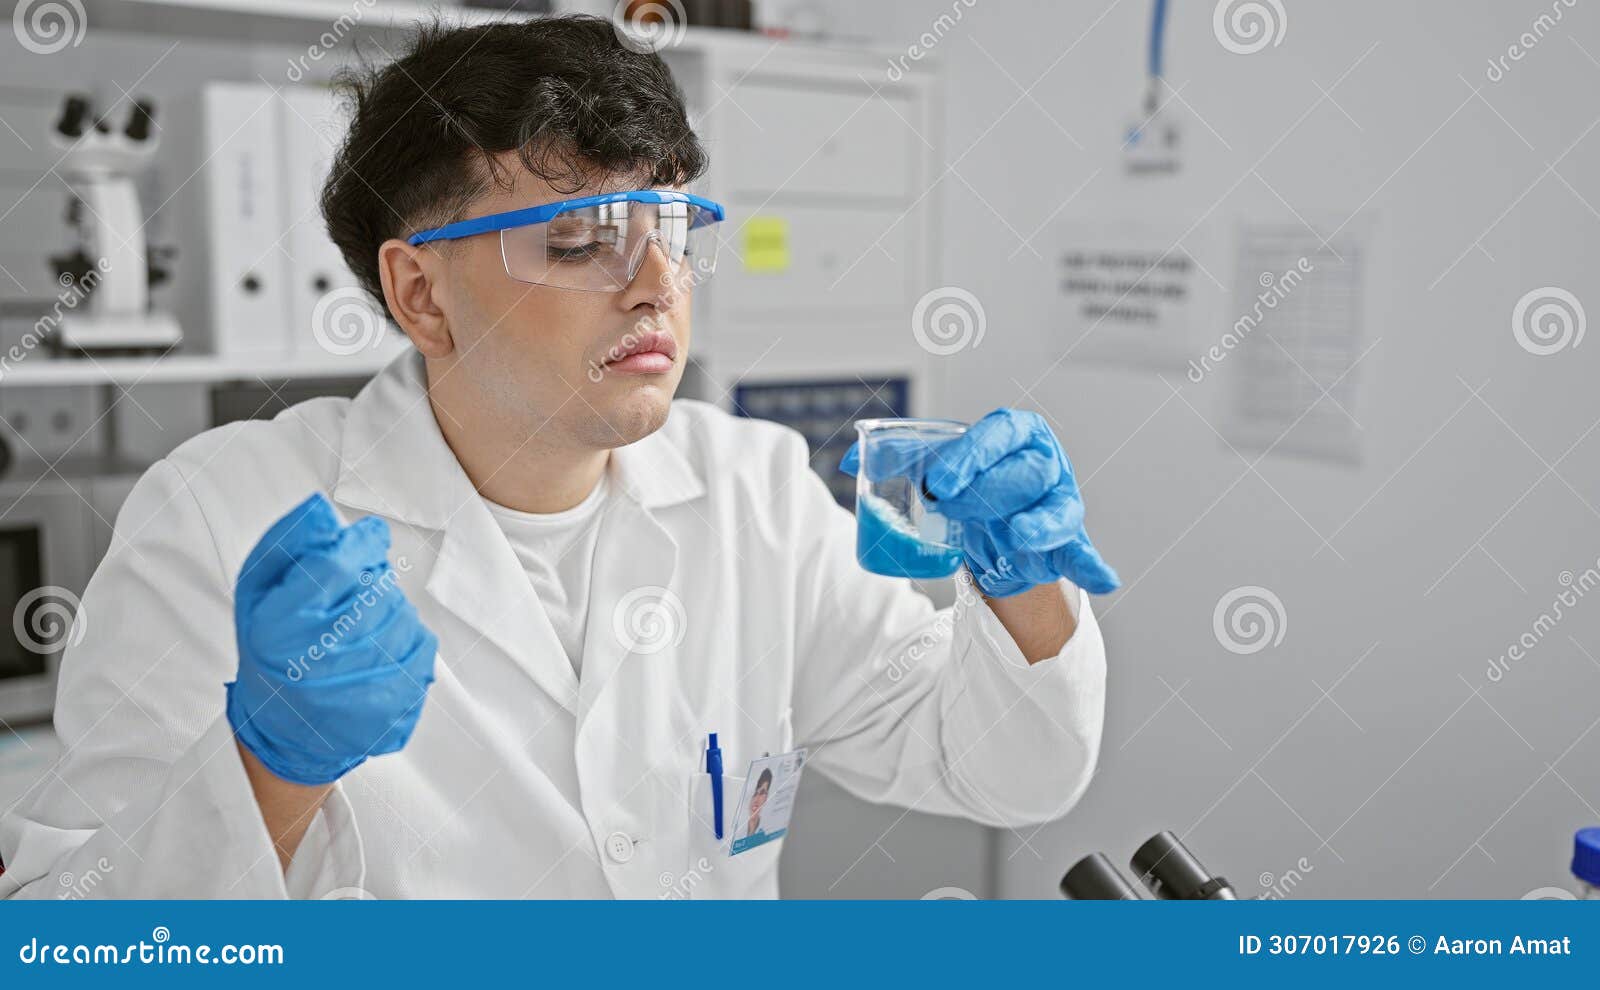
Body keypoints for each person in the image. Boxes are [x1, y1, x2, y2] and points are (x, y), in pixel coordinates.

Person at [0, 15, 1116, 900]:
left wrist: (1024, 596)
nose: (652, 286)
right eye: (578, 240)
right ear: (419, 293)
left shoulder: (754, 490)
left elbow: (1001, 769)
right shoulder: (224, 516)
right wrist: (268, 774)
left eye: (670, 232)